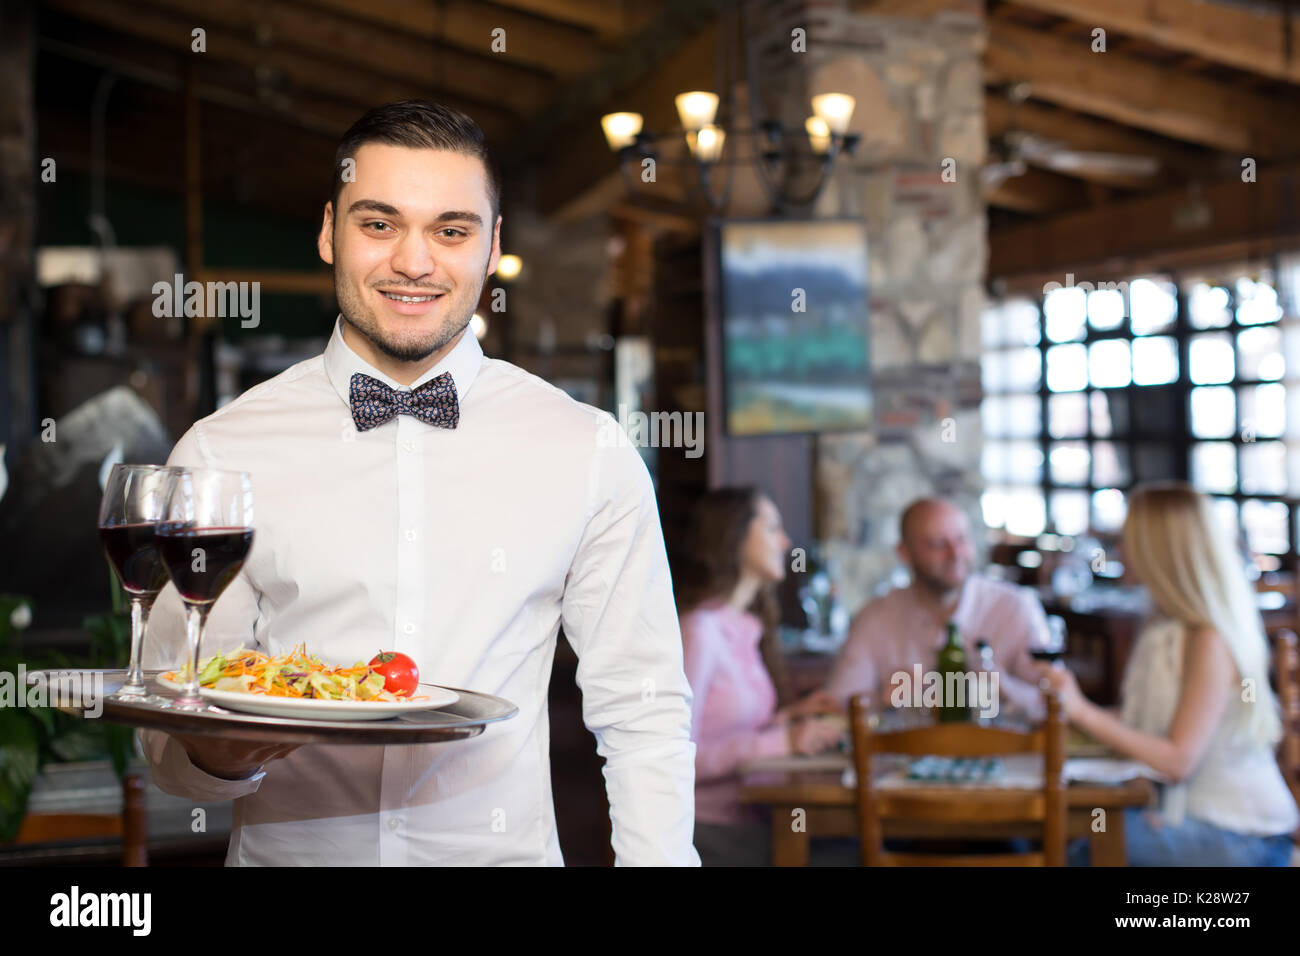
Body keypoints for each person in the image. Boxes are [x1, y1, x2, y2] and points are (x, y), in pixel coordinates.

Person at [139, 101, 700, 866]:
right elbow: (170, 748)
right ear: (329, 230)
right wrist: (226, 755)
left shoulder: (586, 449)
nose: (414, 261)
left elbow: (644, 710)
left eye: (451, 229)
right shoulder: (219, 450)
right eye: (379, 224)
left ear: (493, 246)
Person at [1036, 482, 1299, 866]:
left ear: (1158, 551)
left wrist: (1081, 711)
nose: (1120, 551)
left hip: (1243, 835)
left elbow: (1177, 761)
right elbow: (1143, 728)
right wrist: (1070, 713)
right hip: (1189, 817)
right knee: (1066, 835)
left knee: (1079, 846)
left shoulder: (1208, 636)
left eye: (1129, 541)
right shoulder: (1167, 624)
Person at [676, 487, 842, 866]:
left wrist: (790, 718)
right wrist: (783, 741)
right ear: (735, 535)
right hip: (707, 829)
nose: (785, 542)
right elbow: (678, 758)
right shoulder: (700, 631)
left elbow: (731, 730)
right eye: (771, 528)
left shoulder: (744, 627)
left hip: (752, 819)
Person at [822, 497, 1048, 719]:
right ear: (904, 553)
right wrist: (881, 699)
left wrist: (1001, 686)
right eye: (938, 544)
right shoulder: (874, 617)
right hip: (903, 754)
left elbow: (1054, 702)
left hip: (1006, 754)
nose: (955, 554)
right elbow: (837, 705)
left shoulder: (1016, 607)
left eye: (962, 539)